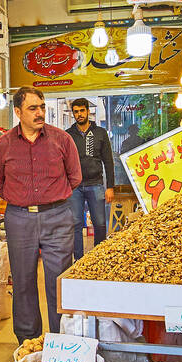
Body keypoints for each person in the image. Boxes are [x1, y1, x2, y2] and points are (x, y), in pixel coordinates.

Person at [0, 87, 82, 344]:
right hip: (19, 219)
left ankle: (61, 340)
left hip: (58, 216)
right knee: (22, 280)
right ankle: (28, 341)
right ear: (18, 112)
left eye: (41, 106)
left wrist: (51, 198)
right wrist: (22, 199)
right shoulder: (3, 145)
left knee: (59, 279)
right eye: (33, 108)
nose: (40, 112)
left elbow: (75, 177)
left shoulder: (62, 140)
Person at [64, 98, 116, 258]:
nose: (79, 114)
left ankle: (98, 258)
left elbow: (108, 160)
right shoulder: (68, 135)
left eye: (81, 111)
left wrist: (110, 187)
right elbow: (63, 162)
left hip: (96, 185)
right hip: (75, 188)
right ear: (73, 114)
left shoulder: (100, 133)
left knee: (100, 224)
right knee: (76, 224)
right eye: (76, 112)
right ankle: (79, 261)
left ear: (88, 111)